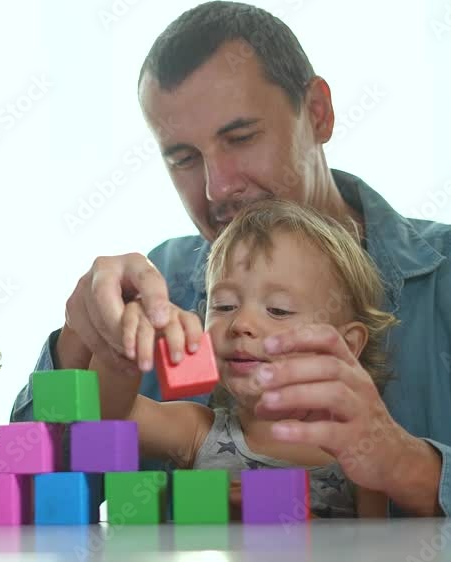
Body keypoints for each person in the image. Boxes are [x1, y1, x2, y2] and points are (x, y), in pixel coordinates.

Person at [11, 1, 451, 517]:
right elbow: (24, 499)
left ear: (317, 113)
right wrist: (79, 341)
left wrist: (406, 466)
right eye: (183, 158)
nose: (218, 186)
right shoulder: (164, 289)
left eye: (241, 137)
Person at [96, 200, 394, 518]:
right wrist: (125, 339)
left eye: (278, 310)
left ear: (346, 345)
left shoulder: (361, 453)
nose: (241, 325)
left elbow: (376, 547)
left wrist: (295, 522)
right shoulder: (199, 431)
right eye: (224, 306)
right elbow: (111, 416)